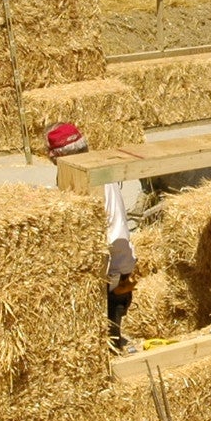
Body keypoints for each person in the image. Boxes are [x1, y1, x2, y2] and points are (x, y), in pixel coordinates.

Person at [47, 124, 138, 349]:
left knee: (106, 331)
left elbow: (108, 233)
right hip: (105, 263)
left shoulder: (93, 179)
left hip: (108, 267)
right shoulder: (82, 173)